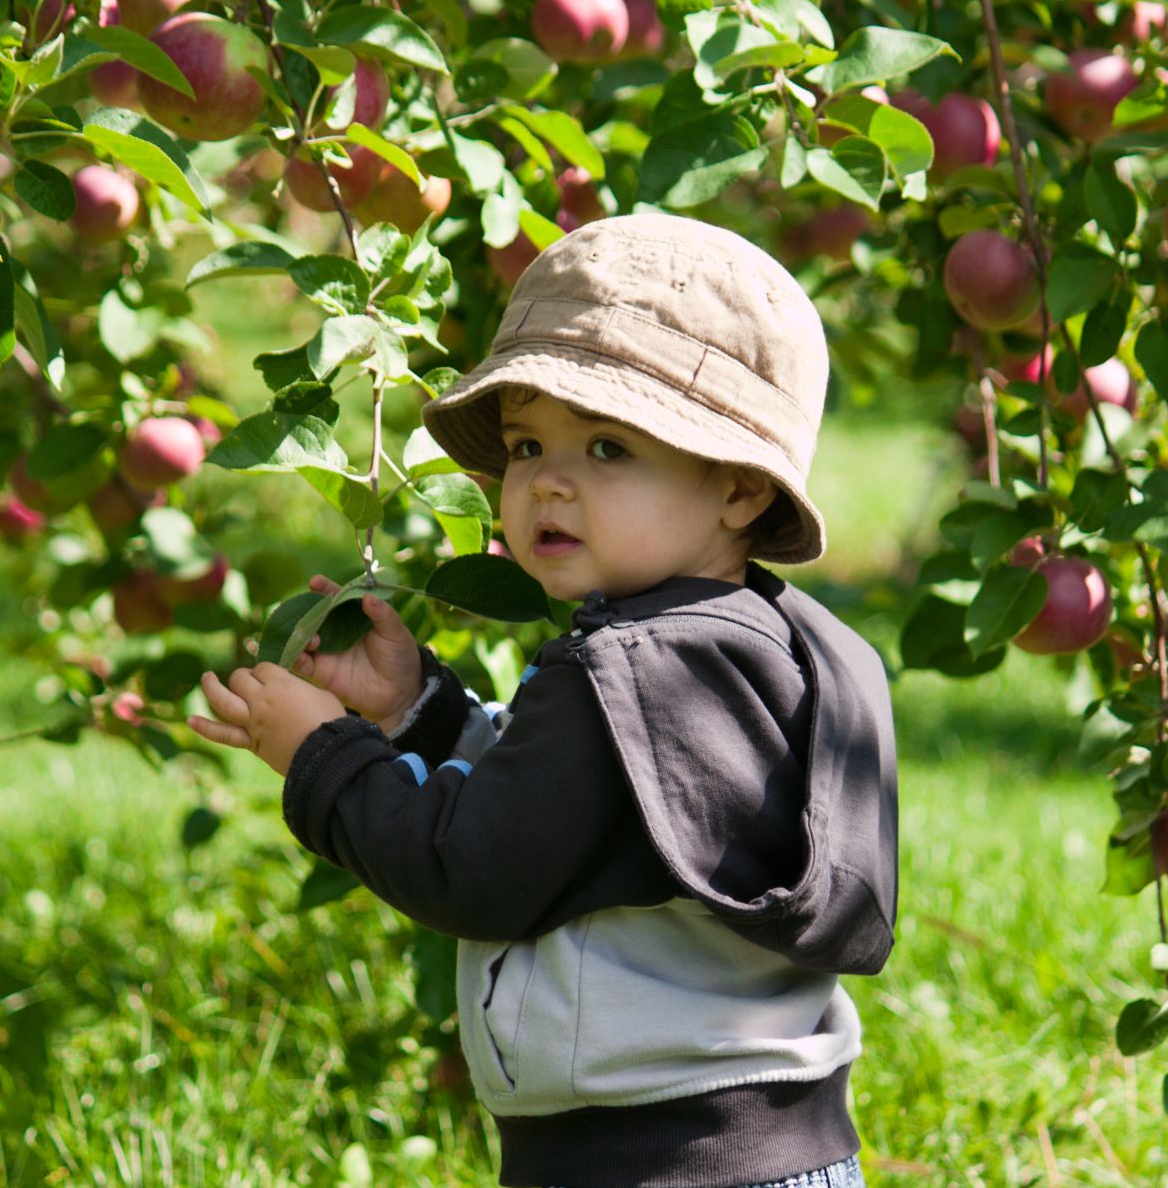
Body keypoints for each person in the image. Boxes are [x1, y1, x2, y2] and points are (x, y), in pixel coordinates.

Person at [188, 214, 900, 1187]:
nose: (547, 484)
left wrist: (323, 755)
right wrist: (420, 710)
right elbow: (569, 815)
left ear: (738, 489)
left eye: (606, 447)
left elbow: (470, 867)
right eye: (525, 445)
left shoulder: (629, 671)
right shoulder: (747, 649)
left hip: (647, 1164)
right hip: (770, 1151)